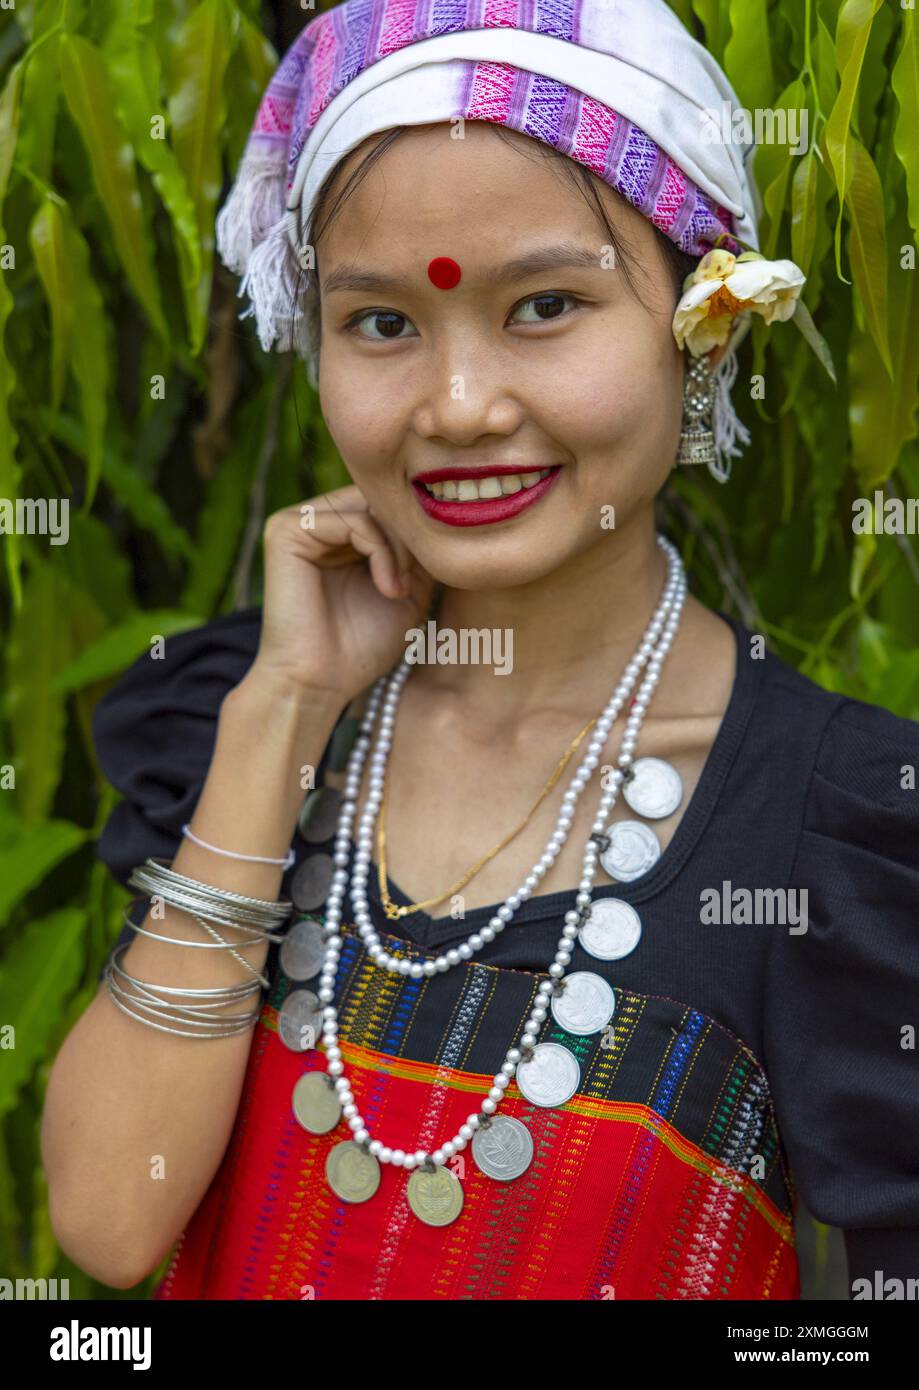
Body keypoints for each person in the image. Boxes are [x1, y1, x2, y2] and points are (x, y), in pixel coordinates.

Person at [41, 0, 919, 1301]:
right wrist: (283, 708)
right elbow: (112, 1221)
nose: (460, 409)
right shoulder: (251, 724)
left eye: (546, 305)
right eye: (382, 325)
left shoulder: (833, 827)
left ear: (706, 320)